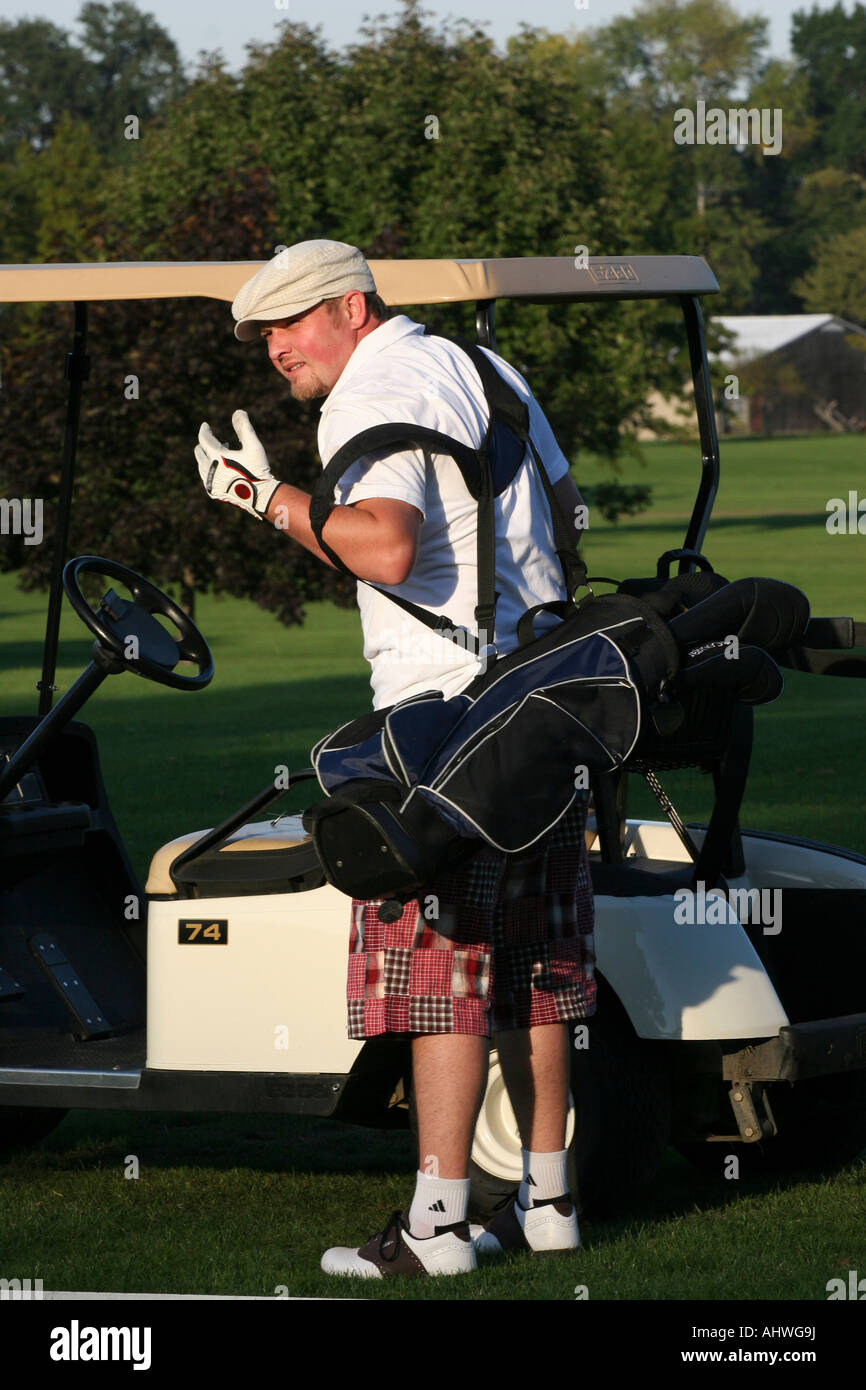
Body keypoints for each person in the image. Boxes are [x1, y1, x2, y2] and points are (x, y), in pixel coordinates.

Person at [195, 239, 596, 1279]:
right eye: (262, 332)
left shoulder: (373, 388)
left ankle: (434, 1226)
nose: (274, 347)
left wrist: (260, 497)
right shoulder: (486, 370)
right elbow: (561, 517)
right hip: (546, 696)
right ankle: (546, 1201)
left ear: (354, 308)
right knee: (536, 966)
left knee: (438, 978)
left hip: (441, 722)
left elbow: (381, 545)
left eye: (290, 322)